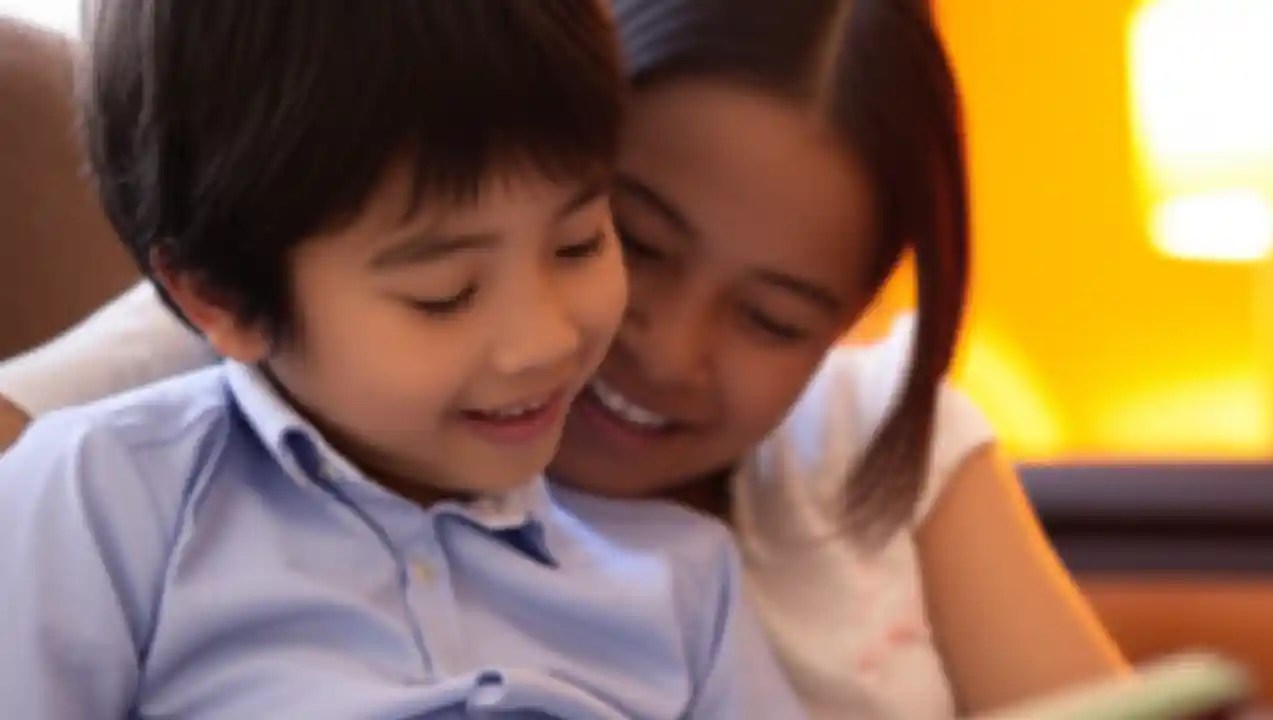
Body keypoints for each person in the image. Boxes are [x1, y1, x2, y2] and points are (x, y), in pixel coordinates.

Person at [0, 0, 1127, 717]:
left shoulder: (680, 578)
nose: (551, 336)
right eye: (636, 240)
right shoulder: (120, 471)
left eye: (580, 244)